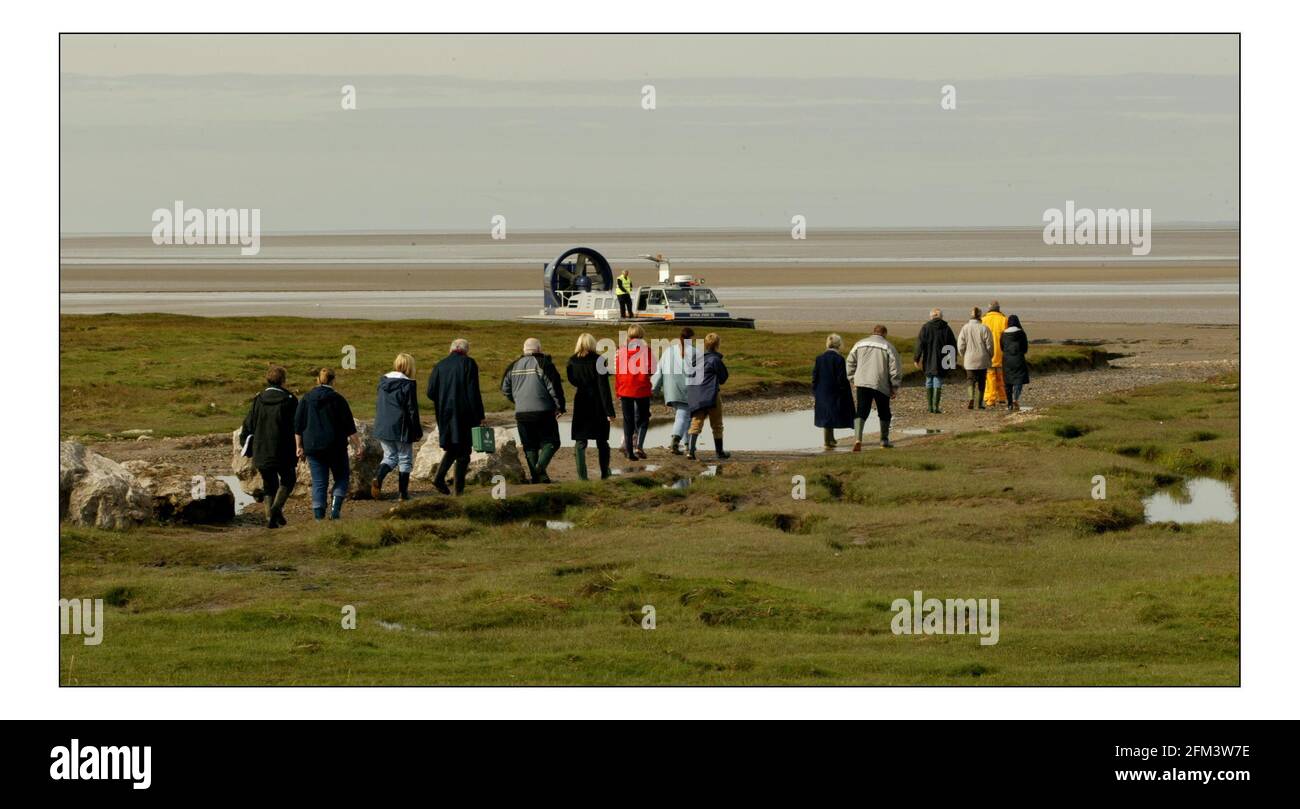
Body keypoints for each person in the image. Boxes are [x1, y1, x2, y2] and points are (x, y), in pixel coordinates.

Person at [294, 368, 362, 520]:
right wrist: (358, 446)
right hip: (335, 446)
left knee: (319, 482)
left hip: (313, 446)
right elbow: (349, 427)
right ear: (333, 380)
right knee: (342, 477)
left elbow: (298, 425)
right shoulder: (338, 399)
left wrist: (299, 446)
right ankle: (335, 509)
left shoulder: (306, 398)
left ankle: (319, 517)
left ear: (318, 380)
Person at [239, 364, 298, 529]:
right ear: (283, 381)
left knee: (268, 484)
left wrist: (246, 445)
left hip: (261, 449)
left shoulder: (258, 399)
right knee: (288, 479)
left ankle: (269, 517)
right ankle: (276, 510)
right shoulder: (290, 400)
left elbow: (248, 425)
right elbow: (297, 426)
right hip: (284, 450)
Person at [426, 337, 486, 496]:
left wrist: (442, 400)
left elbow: (430, 392)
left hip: (445, 413)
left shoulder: (440, 365)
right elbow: (473, 391)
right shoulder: (469, 363)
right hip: (464, 413)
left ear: (451, 349)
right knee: (464, 453)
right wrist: (480, 414)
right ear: (466, 350)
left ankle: (439, 479)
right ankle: (459, 491)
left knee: (453, 447)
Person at [502, 337, 566, 483]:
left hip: (521, 413)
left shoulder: (513, 365)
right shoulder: (544, 363)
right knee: (552, 442)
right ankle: (539, 471)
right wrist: (560, 407)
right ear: (539, 349)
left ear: (524, 350)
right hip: (543, 412)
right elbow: (554, 387)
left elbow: (505, 388)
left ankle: (538, 478)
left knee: (529, 446)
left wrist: (517, 400)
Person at [370, 352, 423, 501]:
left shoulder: (383, 382)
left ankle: (378, 477)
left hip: (382, 426)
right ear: (409, 366)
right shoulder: (408, 384)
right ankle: (403, 493)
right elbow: (412, 409)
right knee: (405, 458)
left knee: (389, 457)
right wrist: (417, 431)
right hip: (401, 427)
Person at [566, 332, 616, 480]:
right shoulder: (599, 360)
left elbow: (572, 380)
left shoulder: (572, 361)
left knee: (580, 440)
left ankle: (582, 476)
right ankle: (604, 472)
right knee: (602, 440)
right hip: (597, 403)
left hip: (581, 400)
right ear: (592, 344)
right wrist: (609, 411)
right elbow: (603, 387)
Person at [845, 325, 902, 450]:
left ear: (873, 332)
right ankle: (883, 440)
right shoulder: (888, 346)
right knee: (884, 412)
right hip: (880, 383)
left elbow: (849, 362)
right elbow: (895, 368)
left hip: (862, 382)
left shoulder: (859, 344)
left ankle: (858, 439)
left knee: (861, 410)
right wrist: (895, 386)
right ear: (884, 334)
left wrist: (853, 378)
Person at [686, 332, 730, 460]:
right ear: (717, 345)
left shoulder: (696, 359)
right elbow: (723, 378)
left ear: (705, 345)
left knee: (696, 423)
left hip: (696, 395)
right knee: (717, 424)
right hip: (711, 394)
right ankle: (719, 452)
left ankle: (691, 451)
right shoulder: (715, 360)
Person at [651, 326, 694, 455]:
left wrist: (655, 388)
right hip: (687, 391)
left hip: (671, 391)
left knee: (684, 416)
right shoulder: (695, 352)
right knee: (683, 416)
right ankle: (675, 441)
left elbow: (659, 371)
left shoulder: (668, 351)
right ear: (691, 339)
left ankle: (687, 444)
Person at [614, 324, 655, 460]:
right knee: (643, 418)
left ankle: (629, 451)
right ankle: (639, 446)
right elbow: (652, 369)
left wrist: (617, 390)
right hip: (641, 388)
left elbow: (618, 372)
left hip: (625, 388)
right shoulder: (646, 350)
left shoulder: (621, 351)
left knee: (628, 421)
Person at [812, 333, 855, 450]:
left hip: (822, 390)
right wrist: (844, 390)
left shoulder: (819, 358)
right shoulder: (839, 359)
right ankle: (828, 441)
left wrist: (815, 389)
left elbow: (815, 375)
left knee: (826, 414)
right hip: (835, 390)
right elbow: (841, 378)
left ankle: (830, 439)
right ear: (838, 345)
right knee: (831, 414)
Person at [913, 308, 958, 413]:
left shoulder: (926, 328)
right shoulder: (946, 328)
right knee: (938, 380)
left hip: (928, 359)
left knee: (929, 380)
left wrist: (917, 358)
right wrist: (952, 361)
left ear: (931, 316)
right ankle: (935, 407)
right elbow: (952, 346)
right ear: (941, 317)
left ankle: (930, 407)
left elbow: (920, 344)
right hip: (942, 359)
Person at [956, 306, 994, 410]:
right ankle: (979, 403)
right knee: (982, 381)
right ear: (980, 316)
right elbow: (990, 345)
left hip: (969, 358)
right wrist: (990, 355)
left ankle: (971, 398)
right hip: (982, 358)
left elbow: (960, 344)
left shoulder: (965, 328)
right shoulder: (984, 328)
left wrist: (963, 354)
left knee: (970, 379)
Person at [981, 301, 1010, 408]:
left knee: (990, 377)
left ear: (989, 309)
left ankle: (990, 399)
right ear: (998, 308)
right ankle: (1002, 397)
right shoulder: (1004, 320)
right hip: (1001, 352)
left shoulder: (983, 320)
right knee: (1001, 376)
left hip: (988, 353)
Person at [1000, 314, 1030, 410]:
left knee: (1007, 382)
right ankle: (1015, 399)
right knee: (1018, 380)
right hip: (1018, 359)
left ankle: (1009, 404)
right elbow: (1025, 348)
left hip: (1007, 360)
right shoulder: (1021, 333)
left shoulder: (1003, 334)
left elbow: (1002, 347)